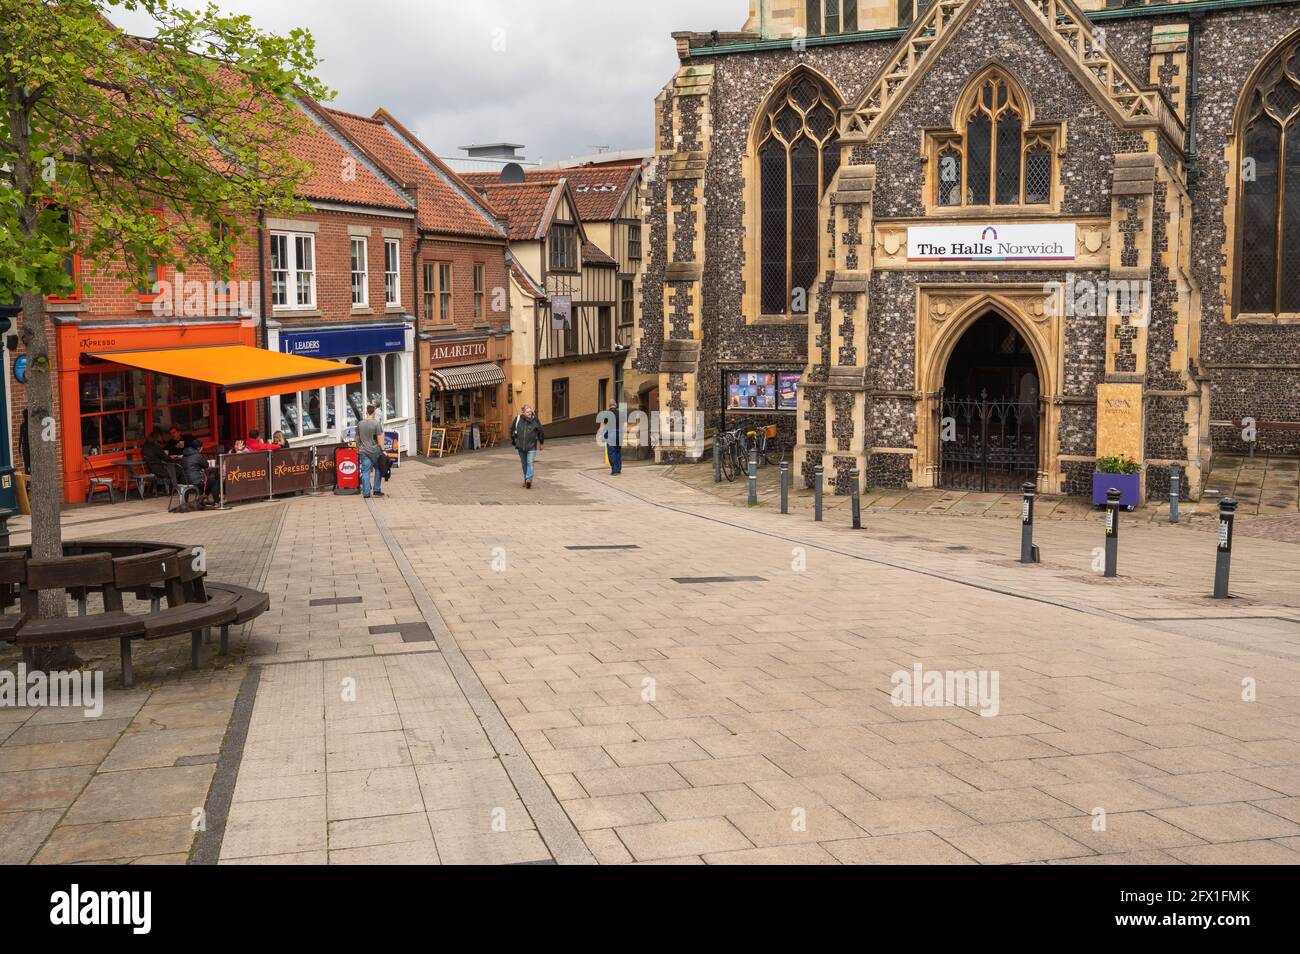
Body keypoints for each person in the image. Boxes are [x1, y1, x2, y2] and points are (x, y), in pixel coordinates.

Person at [511, 404, 544, 489]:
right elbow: (512, 430)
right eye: (527, 412)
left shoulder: (535, 420)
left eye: (530, 411)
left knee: (530, 463)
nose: (529, 413)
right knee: (524, 464)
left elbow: (540, 431)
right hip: (520, 446)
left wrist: (541, 443)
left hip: (532, 446)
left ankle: (528, 479)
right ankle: (526, 479)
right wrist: (514, 441)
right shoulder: (518, 419)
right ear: (523, 413)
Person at [180, 437, 217, 506]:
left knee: (207, 482)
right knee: (213, 482)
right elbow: (206, 465)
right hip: (195, 481)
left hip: (184, 480)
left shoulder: (184, 455)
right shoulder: (197, 455)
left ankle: (202, 500)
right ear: (199, 448)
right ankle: (217, 502)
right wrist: (200, 454)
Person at [357, 403, 384, 499]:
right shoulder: (376, 424)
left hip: (364, 451)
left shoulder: (360, 424)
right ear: (374, 413)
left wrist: (357, 448)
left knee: (365, 471)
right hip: (375, 451)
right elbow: (380, 439)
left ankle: (366, 493)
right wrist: (383, 450)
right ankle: (376, 489)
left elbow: (357, 438)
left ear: (366, 412)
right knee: (378, 469)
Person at [602, 401, 622, 476]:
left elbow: (604, 424)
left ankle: (614, 470)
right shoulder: (620, 413)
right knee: (618, 451)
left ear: (609, 406)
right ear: (615, 405)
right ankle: (619, 469)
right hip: (619, 433)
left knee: (611, 452)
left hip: (611, 433)